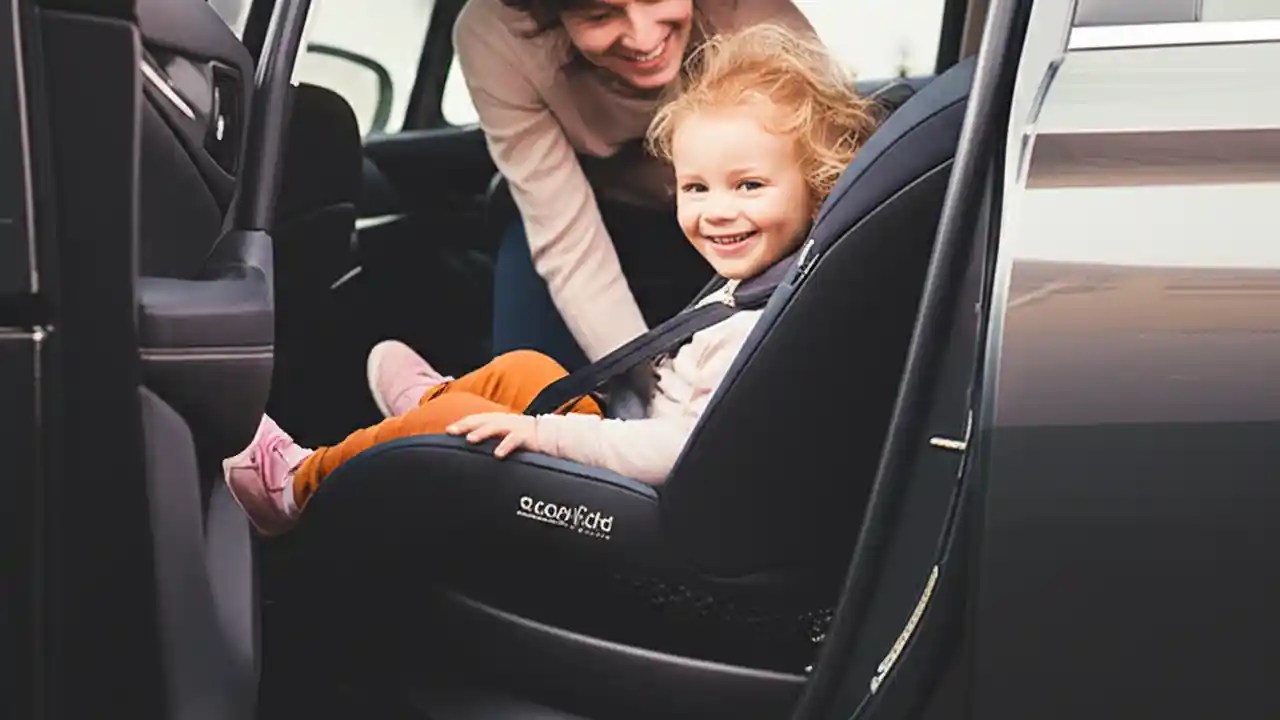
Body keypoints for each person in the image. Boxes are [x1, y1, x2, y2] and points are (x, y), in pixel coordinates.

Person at [222, 23, 878, 536]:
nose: (717, 211)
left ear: (819, 185)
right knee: (528, 370)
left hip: (654, 501)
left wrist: (545, 435)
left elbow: (679, 450)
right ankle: (428, 407)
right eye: (696, 188)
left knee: (468, 422)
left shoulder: (754, 325)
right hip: (646, 442)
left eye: (750, 186)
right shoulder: (768, 283)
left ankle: (296, 485)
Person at [455, 0, 816, 371]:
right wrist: (649, 388)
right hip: (601, 220)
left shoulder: (751, 13)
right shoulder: (497, 37)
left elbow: (821, 173)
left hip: (749, 221)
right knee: (528, 366)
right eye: (599, 16)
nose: (643, 38)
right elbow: (567, 242)